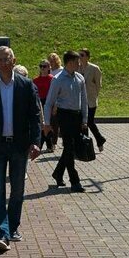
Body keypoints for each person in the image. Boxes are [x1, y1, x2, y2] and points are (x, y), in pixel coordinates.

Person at [0, 45, 41, 254]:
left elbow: (34, 117)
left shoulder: (26, 85)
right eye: (0, 59)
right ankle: (3, 233)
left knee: (18, 191)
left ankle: (12, 227)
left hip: (19, 145)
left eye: (7, 59)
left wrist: (36, 141)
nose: (4, 62)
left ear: (14, 60)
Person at [44, 50, 89, 192]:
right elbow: (49, 102)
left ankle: (58, 173)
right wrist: (46, 123)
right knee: (69, 147)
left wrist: (85, 119)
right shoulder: (58, 79)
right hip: (64, 116)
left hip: (76, 116)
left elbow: (84, 100)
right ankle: (75, 181)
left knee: (72, 148)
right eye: (77, 62)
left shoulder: (80, 78)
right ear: (69, 63)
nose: (79, 64)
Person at [78, 48, 106, 153]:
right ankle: (87, 146)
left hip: (91, 100)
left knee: (89, 122)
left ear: (87, 57)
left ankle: (99, 140)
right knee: (83, 123)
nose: (80, 57)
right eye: (79, 55)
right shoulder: (77, 68)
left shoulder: (94, 68)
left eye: (82, 55)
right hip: (80, 101)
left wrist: (94, 95)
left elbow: (99, 85)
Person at [33, 60, 55, 151]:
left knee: (47, 123)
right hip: (39, 102)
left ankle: (44, 144)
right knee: (41, 124)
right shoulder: (35, 80)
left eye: (44, 66)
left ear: (49, 67)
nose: (42, 68)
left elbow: (55, 93)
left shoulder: (52, 79)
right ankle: (48, 145)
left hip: (49, 102)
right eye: (41, 66)